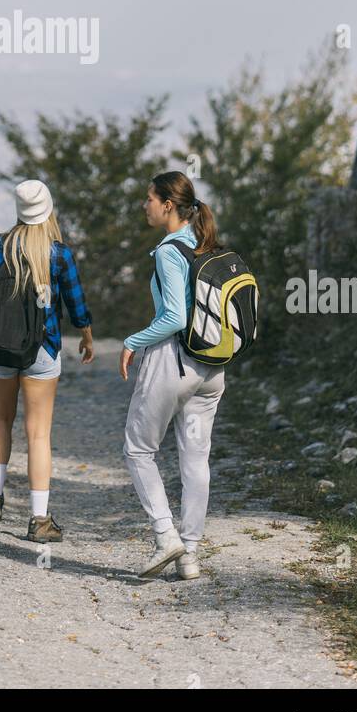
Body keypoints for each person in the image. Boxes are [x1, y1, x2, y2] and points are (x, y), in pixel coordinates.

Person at [0, 180, 93, 543]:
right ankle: (39, 520)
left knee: (0, 419)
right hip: (42, 349)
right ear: (48, 209)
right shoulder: (57, 254)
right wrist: (86, 337)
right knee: (38, 432)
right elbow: (76, 303)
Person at [121, 172, 225, 581]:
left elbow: (174, 317)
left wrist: (132, 340)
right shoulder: (205, 247)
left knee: (137, 449)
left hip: (174, 363)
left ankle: (166, 537)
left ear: (167, 205)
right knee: (195, 457)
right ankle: (191, 555)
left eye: (148, 199)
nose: (144, 205)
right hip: (211, 369)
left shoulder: (168, 251)